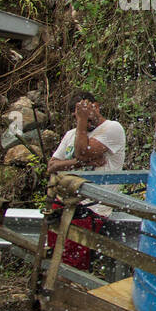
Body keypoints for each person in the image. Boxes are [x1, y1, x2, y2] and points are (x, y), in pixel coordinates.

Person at [46, 91, 126, 268]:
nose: (85, 123)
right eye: (79, 118)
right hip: (62, 203)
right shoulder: (70, 135)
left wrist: (82, 125)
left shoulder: (112, 128)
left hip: (90, 208)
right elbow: (52, 166)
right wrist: (76, 162)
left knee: (71, 264)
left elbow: (83, 151)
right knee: (54, 259)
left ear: (96, 107)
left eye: (87, 117)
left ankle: (67, 292)